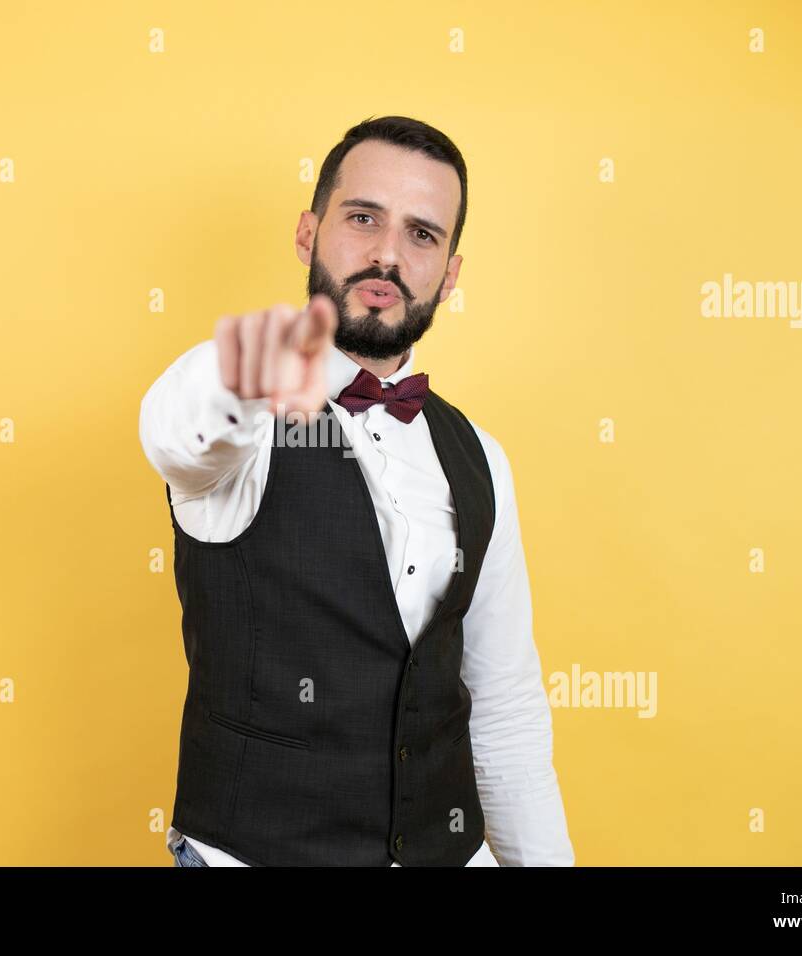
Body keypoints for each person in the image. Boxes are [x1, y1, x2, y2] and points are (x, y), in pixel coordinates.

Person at [141, 115, 574, 867]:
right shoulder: (237, 415)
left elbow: (504, 705)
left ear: (449, 272)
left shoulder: (480, 459)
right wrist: (245, 375)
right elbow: (179, 435)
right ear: (308, 234)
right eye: (363, 218)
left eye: (421, 235)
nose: (387, 254)